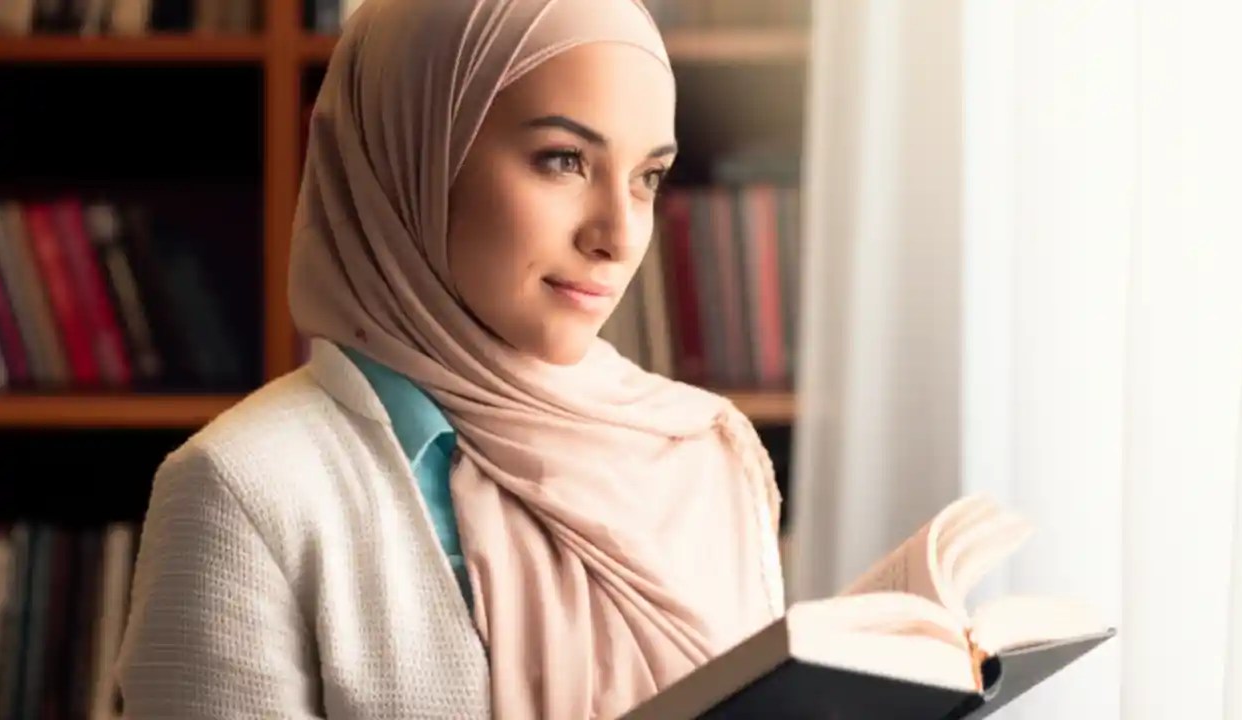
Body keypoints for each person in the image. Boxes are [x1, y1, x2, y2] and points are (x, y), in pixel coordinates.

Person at [114, 0, 786, 717]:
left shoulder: (706, 453)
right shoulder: (245, 489)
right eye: (563, 161)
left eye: (647, 177)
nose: (618, 235)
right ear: (415, 155)